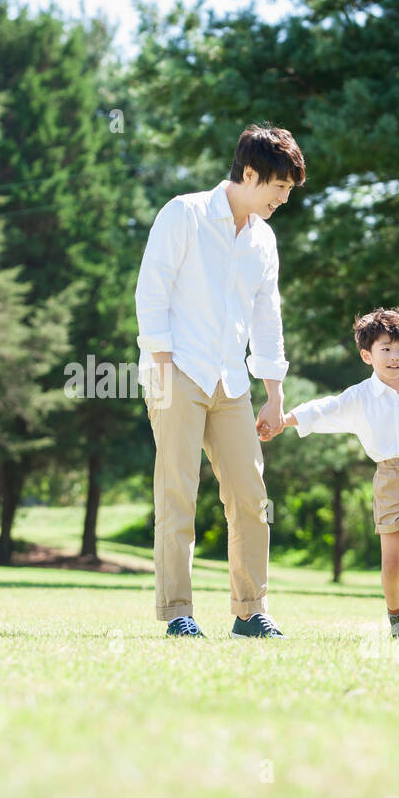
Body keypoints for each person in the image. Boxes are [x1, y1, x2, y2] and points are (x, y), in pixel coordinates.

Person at [134, 124, 305, 638]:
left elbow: (267, 317)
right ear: (250, 173)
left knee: (251, 497)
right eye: (279, 187)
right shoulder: (183, 214)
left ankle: (250, 612)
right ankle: (178, 612)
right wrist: (161, 363)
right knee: (178, 494)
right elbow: (152, 289)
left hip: (231, 382)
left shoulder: (263, 239)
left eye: (289, 190)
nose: (283, 199)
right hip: (176, 371)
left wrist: (274, 393)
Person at [263, 308, 399, 640]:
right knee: (392, 562)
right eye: (386, 349)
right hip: (390, 479)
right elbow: (325, 408)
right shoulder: (360, 396)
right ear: (367, 355)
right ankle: (396, 617)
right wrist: (284, 421)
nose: (395, 356)